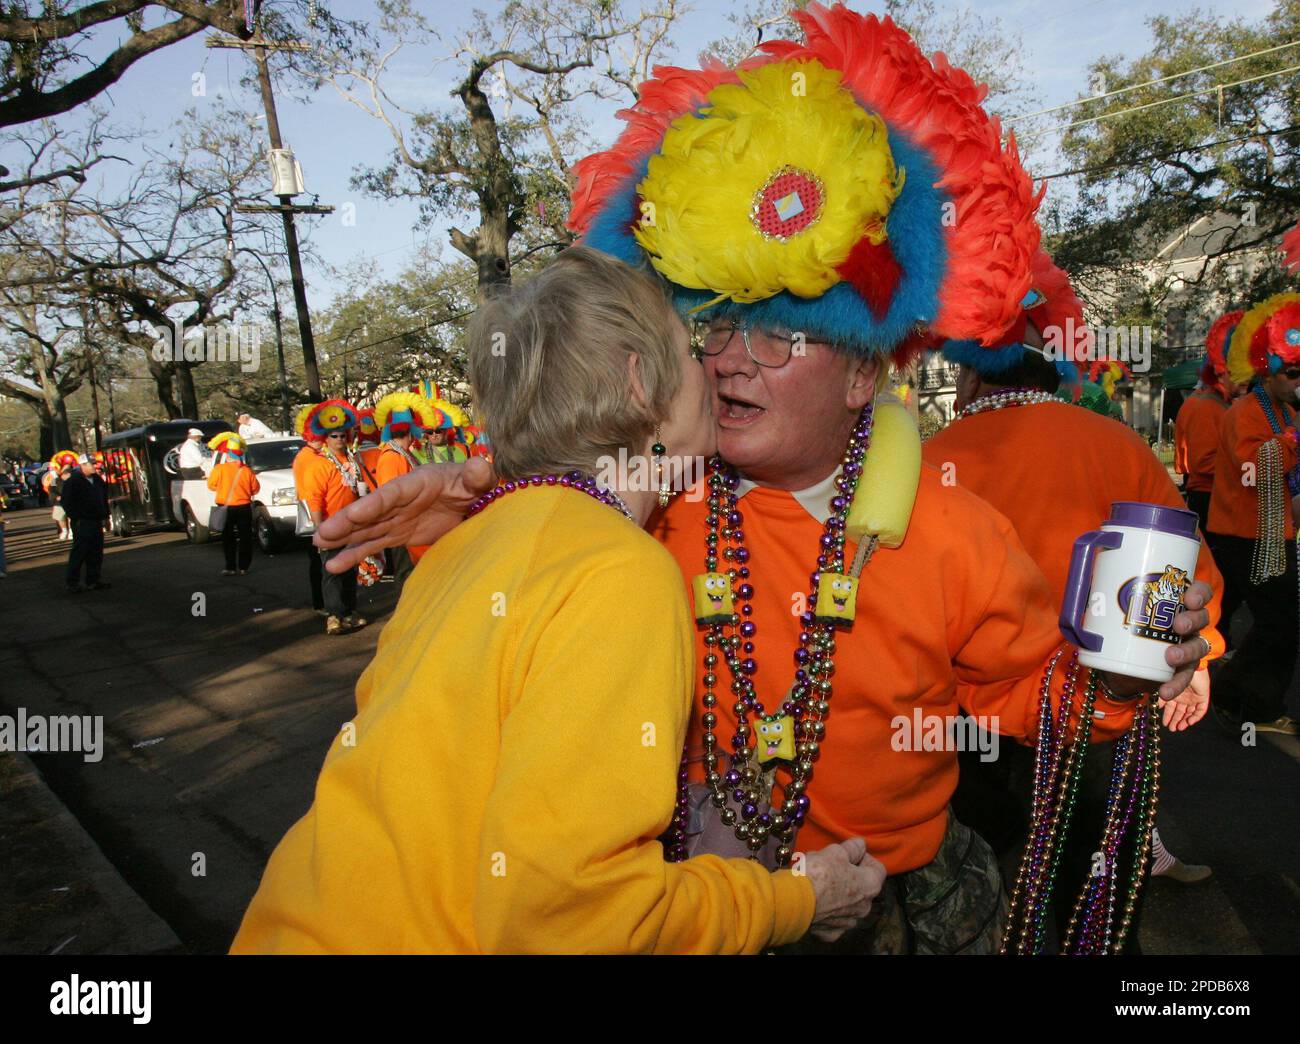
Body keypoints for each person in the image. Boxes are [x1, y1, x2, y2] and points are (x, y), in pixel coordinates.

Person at [316, 5, 1213, 955]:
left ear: (865, 373)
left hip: (896, 899)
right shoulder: (646, 509)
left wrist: (1122, 674)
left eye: (780, 336)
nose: (732, 362)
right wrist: (493, 492)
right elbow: (500, 643)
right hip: (685, 910)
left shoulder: (948, 528)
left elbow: (1034, 696)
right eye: (718, 329)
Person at [232, 247, 880, 954]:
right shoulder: (618, 569)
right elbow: (578, 919)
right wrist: (795, 899)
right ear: (641, 387)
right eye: (690, 347)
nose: (716, 366)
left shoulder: (468, 544)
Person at [925, 251, 1221, 935]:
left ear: (968, 373)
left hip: (964, 724)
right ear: (1054, 369)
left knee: (979, 899)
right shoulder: (1118, 444)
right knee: (1094, 906)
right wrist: (1198, 660)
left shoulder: (932, 458)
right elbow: (1189, 575)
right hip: (1099, 709)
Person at [1208, 292, 1300, 735]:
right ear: (1271, 370)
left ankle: (1227, 693)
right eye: (1295, 372)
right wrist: (1293, 441)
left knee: (1238, 619)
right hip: (1247, 536)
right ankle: (1247, 702)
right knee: (1280, 625)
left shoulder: (1280, 411)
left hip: (1265, 532)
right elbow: (1254, 472)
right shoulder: (1247, 412)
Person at [1177, 312, 1248, 644]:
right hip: (1208, 497)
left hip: (1207, 495)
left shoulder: (1210, 404)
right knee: (1219, 573)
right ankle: (1215, 636)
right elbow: (1204, 462)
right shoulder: (1207, 407)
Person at [298, 399, 366, 635]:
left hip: (353, 524)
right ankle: (334, 615)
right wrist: (320, 529)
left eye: (342, 436)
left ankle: (349, 611)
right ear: (325, 438)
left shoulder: (354, 461)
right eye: (334, 436)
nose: (339, 440)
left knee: (350, 570)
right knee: (332, 571)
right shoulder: (318, 465)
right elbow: (315, 499)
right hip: (330, 524)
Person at [372, 391, 438, 587]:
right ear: (410, 432)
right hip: (400, 523)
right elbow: (391, 495)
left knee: (415, 571)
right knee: (405, 573)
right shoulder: (391, 457)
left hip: (411, 521)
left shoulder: (404, 454)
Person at [206, 432, 261, 576]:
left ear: (228, 455)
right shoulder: (246, 470)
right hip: (244, 507)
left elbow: (211, 485)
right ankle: (244, 567)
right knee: (245, 538)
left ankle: (230, 567)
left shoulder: (219, 469)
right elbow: (255, 488)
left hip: (225, 507)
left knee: (228, 538)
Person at [291, 405, 327, 617]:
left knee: (317, 561)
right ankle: (320, 602)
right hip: (314, 512)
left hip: (311, 510)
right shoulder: (310, 458)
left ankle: (320, 601)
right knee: (319, 562)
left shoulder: (304, 456)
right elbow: (314, 492)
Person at [62, 454, 110, 593]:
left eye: (95, 463)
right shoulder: (73, 481)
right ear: (82, 465)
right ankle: (72, 583)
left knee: (96, 551)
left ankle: (93, 580)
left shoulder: (97, 480)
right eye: (91, 464)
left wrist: (106, 517)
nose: (95, 466)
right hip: (82, 522)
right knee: (80, 552)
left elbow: (103, 498)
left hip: (96, 521)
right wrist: (76, 517)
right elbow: (67, 502)